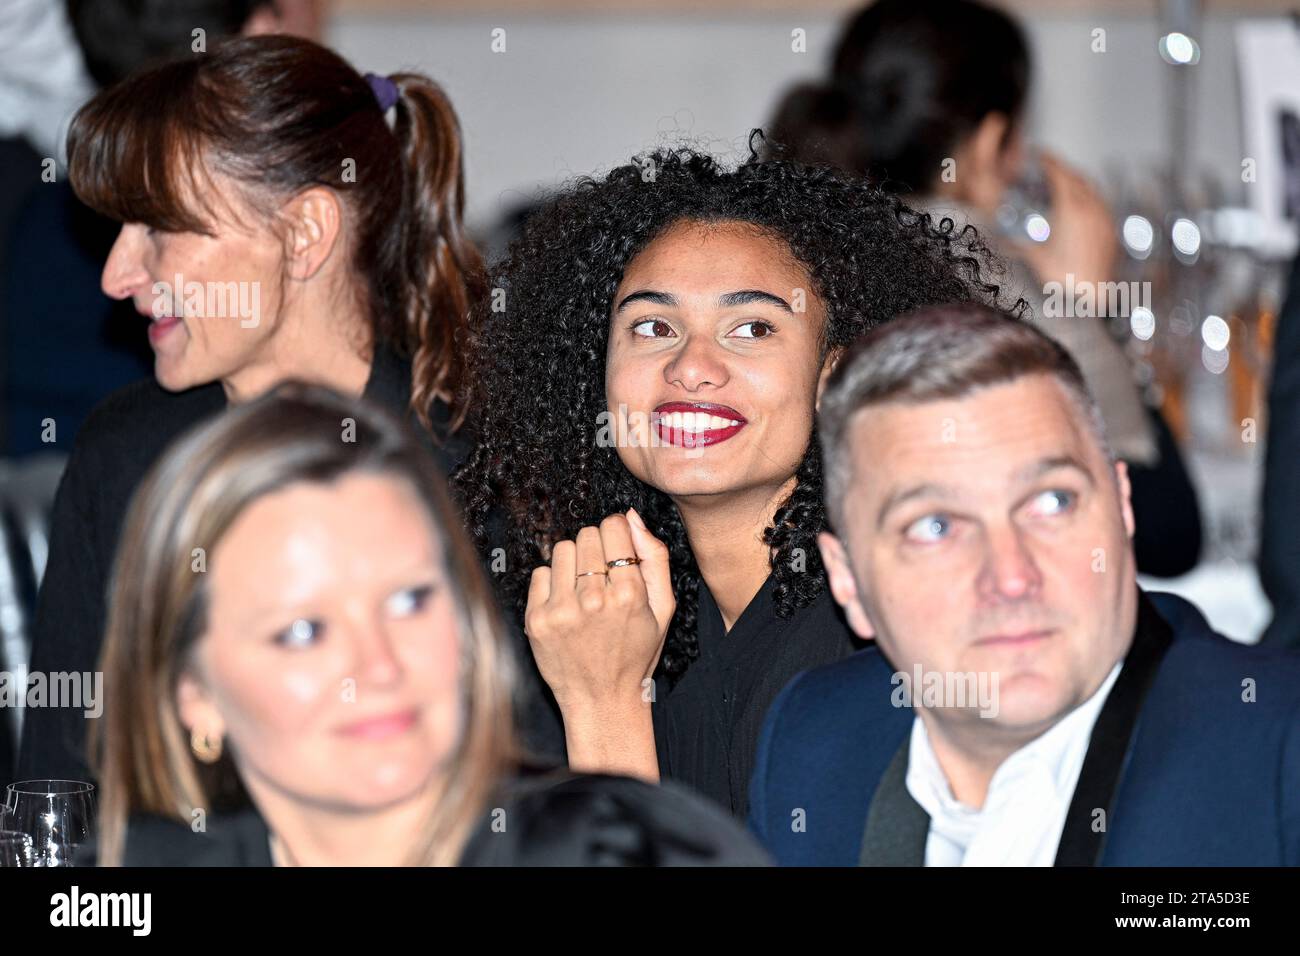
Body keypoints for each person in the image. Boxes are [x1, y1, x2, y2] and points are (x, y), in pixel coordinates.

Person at [454, 142, 1013, 816]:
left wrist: (604, 704)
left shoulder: (878, 636)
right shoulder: (621, 609)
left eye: (750, 328)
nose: (691, 367)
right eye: (653, 326)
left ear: (834, 377)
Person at [17, 34, 487, 784]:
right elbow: (60, 795)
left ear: (304, 235)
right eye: (118, 231)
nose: (115, 275)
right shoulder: (128, 455)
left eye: (160, 228)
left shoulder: (485, 470)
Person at [89, 384, 765, 866]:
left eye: (410, 600)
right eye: (302, 632)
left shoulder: (631, 850)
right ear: (194, 694)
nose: (379, 667)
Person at [748, 303, 1300, 866]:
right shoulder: (815, 741)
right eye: (935, 526)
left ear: (1123, 510)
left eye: (1051, 502)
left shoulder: (1277, 759)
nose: (1011, 577)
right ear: (848, 579)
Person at [767, 0, 1202, 578]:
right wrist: (1086, 309)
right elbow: (1167, 531)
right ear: (991, 139)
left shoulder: (792, 252)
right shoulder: (1001, 286)